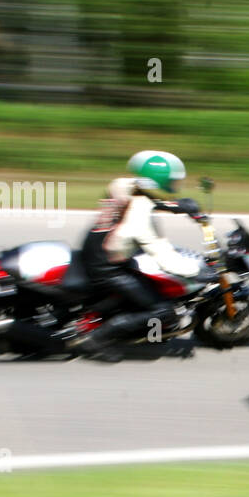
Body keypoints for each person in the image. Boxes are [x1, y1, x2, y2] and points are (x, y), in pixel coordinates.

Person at [73, 151, 214, 361]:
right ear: (156, 181)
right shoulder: (139, 217)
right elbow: (161, 253)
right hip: (107, 266)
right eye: (171, 181)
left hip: (96, 246)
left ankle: (141, 330)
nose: (175, 185)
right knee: (162, 310)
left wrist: (177, 206)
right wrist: (198, 272)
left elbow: (145, 199)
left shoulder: (122, 185)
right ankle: (95, 340)